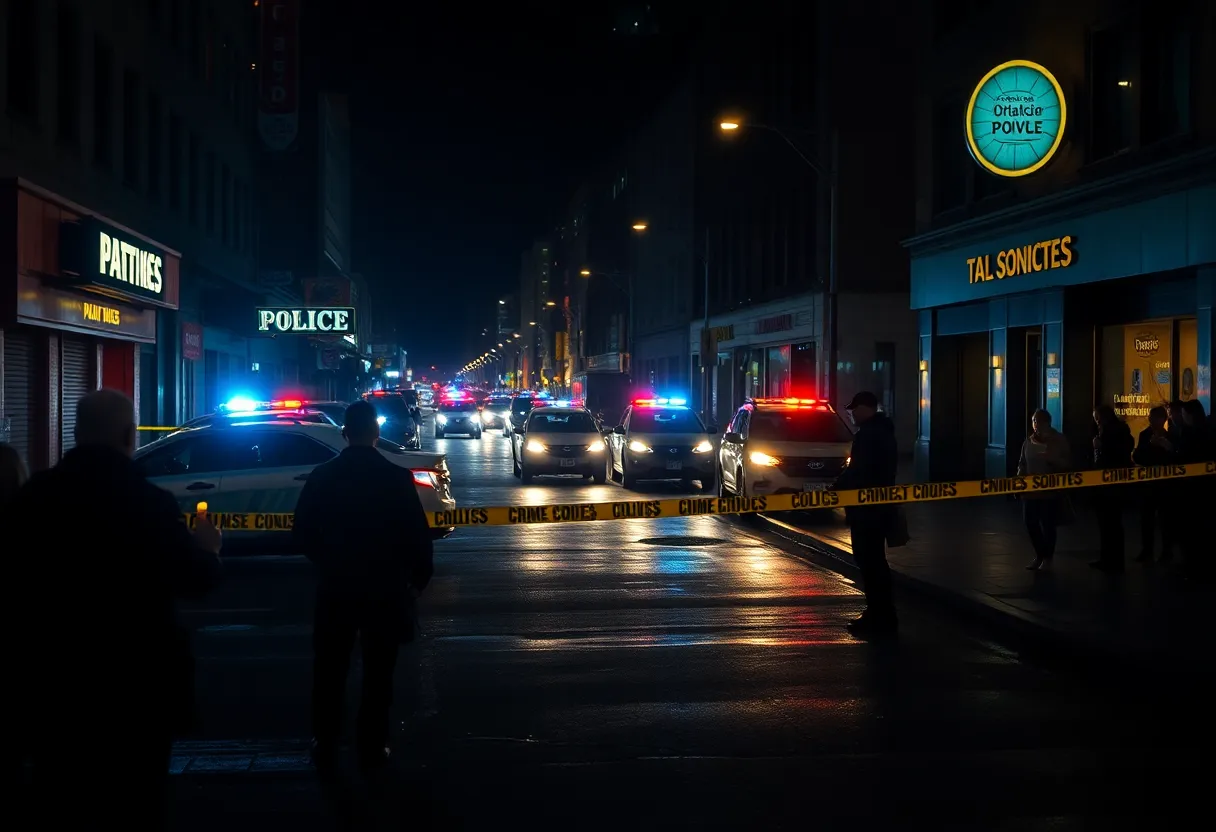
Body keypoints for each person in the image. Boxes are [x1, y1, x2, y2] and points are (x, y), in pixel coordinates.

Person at [10, 389, 222, 829]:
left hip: (54, 685)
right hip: (136, 688)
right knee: (137, 801)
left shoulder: (34, 499)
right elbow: (195, 580)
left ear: (74, 433)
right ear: (129, 435)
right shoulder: (149, 503)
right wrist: (209, 550)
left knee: (59, 794)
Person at [293, 399, 435, 772]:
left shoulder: (323, 476)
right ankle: (372, 744)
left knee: (330, 668)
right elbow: (417, 535)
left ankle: (325, 740)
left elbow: (302, 532)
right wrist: (416, 578)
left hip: (337, 588)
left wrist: (328, 561)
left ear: (344, 434)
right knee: (378, 671)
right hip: (383, 589)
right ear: (376, 433)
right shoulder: (395, 478)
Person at [832, 391, 899, 636]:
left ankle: (879, 616)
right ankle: (881, 614)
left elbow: (858, 470)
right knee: (875, 562)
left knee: (870, 563)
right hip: (876, 509)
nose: (852, 414)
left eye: (854, 409)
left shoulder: (869, 435)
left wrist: (836, 488)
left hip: (866, 511)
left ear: (866, 408)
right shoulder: (883, 433)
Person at [1016, 409, 1071, 571]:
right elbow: (1022, 462)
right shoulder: (1029, 441)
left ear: (1047, 422)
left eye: (1038, 421)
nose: (1035, 425)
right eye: (1033, 421)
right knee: (1030, 523)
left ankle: (1047, 558)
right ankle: (1040, 554)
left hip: (1049, 491)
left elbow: (1067, 463)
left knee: (1048, 524)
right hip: (1030, 491)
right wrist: (1019, 480)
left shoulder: (1058, 440)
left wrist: (1052, 460)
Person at [1091, 404, 1134, 572]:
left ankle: (1112, 560)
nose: (1096, 421)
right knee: (1108, 523)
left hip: (1110, 485)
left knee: (1110, 523)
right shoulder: (1112, 431)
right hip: (1107, 485)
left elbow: (1115, 455)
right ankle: (1108, 558)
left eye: (1097, 417)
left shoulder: (1112, 433)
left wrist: (1100, 447)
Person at [1131, 406, 1176, 563]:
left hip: (1164, 484)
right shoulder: (1145, 435)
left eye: (1154, 418)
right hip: (1149, 483)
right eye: (1151, 417)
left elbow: (1174, 459)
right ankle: (1147, 550)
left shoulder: (1170, 436)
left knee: (1165, 519)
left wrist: (1165, 447)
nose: (1151, 420)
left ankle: (1166, 551)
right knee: (1147, 518)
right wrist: (1149, 447)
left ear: (1162, 420)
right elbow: (1137, 456)